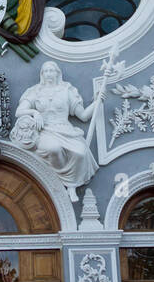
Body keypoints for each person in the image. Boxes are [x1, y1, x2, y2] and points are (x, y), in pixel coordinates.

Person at [10, 61, 97, 200]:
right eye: (46, 71)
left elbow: (84, 116)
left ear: (58, 73)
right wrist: (34, 112)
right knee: (53, 148)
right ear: (42, 74)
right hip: (45, 131)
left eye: (52, 71)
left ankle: (71, 184)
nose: (49, 74)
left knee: (81, 152)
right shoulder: (35, 91)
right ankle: (59, 183)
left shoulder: (67, 90)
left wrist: (98, 102)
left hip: (66, 130)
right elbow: (19, 112)